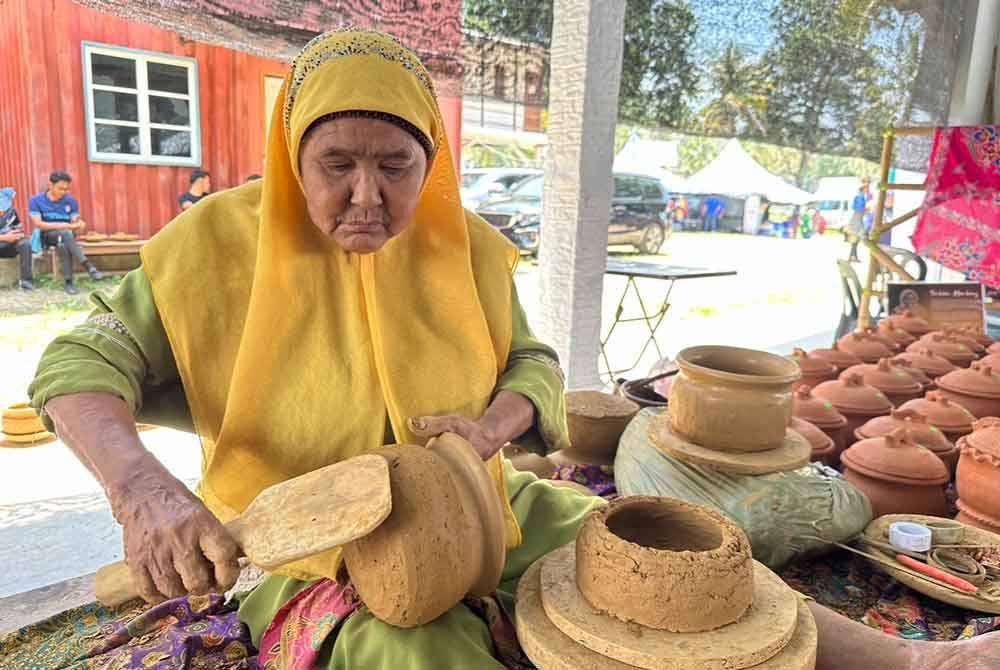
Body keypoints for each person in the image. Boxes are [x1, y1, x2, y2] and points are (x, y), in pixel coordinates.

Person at [16, 30, 997, 670]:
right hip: (305, 538)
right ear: (291, 159)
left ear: (430, 163)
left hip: (483, 495)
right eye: (335, 166)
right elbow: (73, 369)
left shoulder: (467, 246)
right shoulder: (210, 250)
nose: (366, 196)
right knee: (417, 644)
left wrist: (496, 422)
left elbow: (531, 364)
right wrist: (141, 491)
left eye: (395, 166)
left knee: (665, 556)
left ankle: (910, 661)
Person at [29, 171, 102, 295]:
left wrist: (79, 224)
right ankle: (88, 265)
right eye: (60, 188)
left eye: (66, 189)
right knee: (65, 234)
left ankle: (69, 282)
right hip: (47, 235)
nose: (63, 192)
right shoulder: (36, 200)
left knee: (63, 243)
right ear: (51, 185)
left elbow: (75, 222)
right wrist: (63, 225)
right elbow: (39, 224)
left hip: (66, 236)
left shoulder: (71, 201)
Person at [0, 187, 34, 290]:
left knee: (25, 244)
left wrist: (18, 233)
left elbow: (17, 226)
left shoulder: (11, 212)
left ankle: (26, 281)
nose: (2, 213)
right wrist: (5, 237)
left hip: (8, 246)